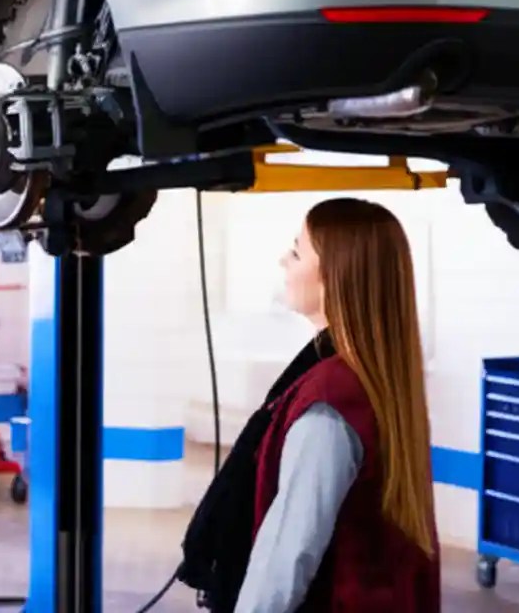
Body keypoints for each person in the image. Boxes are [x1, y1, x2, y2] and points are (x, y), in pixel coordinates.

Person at [177, 197, 439, 612]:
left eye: (297, 251)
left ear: (334, 276)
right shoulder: (379, 383)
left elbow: (286, 556)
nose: (284, 261)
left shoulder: (329, 406)